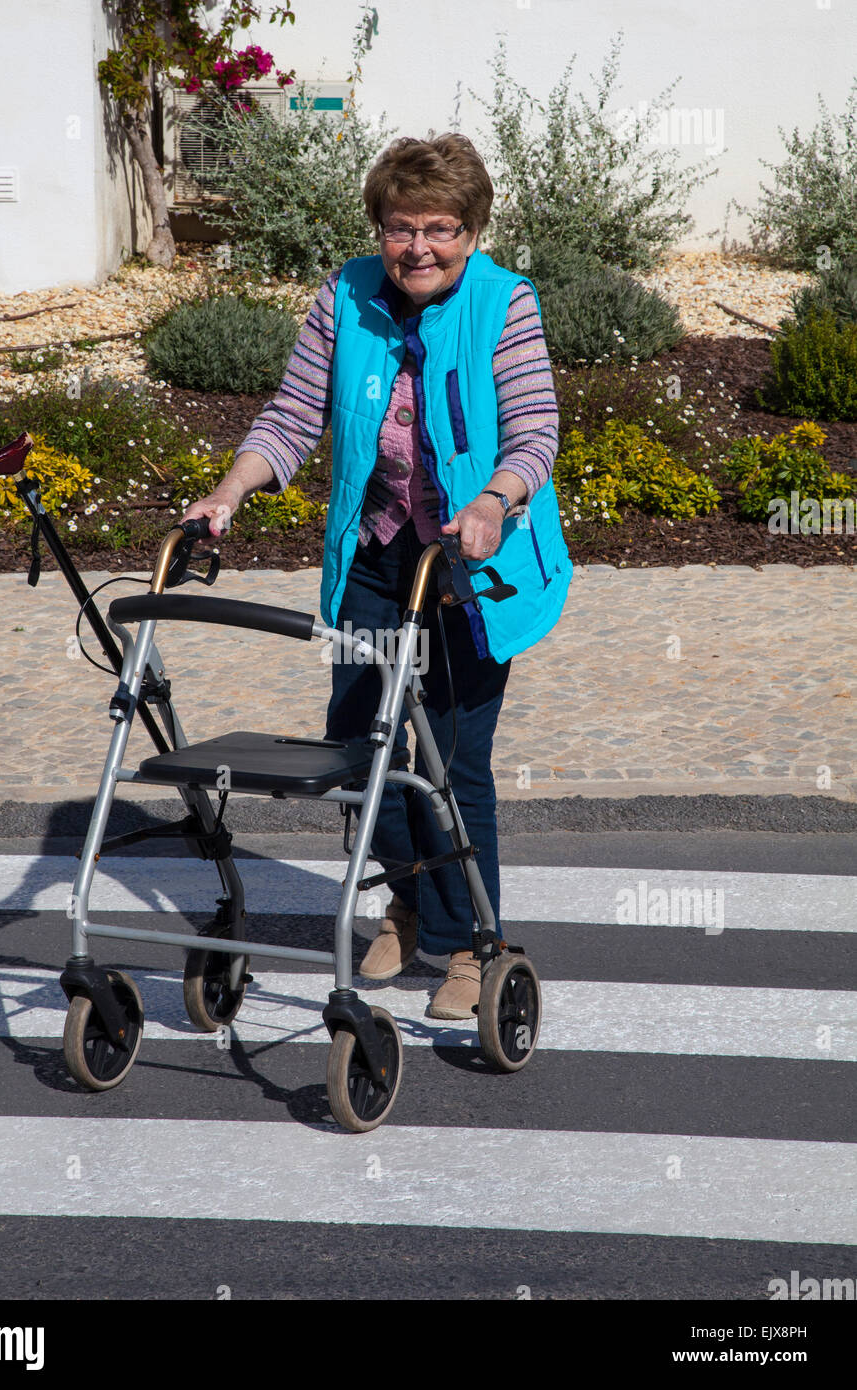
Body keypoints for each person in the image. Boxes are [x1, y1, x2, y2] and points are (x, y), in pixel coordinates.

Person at [182, 133, 572, 1019]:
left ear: (471, 232)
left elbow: (535, 430)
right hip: (378, 553)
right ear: (379, 229)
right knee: (363, 742)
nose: (419, 247)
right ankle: (402, 898)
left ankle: (475, 941)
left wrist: (496, 501)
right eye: (402, 228)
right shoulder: (345, 297)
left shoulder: (505, 302)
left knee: (453, 756)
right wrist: (229, 491)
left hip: (474, 561)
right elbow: (291, 415)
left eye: (441, 228)